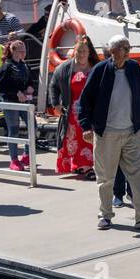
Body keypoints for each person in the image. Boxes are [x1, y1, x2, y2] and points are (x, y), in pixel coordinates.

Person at [77, 35, 140, 230]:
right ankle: (105, 215)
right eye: (124, 47)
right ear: (113, 51)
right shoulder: (100, 70)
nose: (128, 50)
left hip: (131, 132)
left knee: (137, 175)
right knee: (106, 178)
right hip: (107, 134)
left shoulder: (134, 68)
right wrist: (86, 126)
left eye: (128, 47)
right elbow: (84, 100)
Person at [53, 36, 99, 179]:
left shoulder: (95, 67)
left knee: (89, 137)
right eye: (79, 51)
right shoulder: (65, 68)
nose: (81, 54)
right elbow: (53, 86)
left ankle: (85, 165)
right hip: (73, 111)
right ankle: (85, 167)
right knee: (75, 139)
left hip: (91, 110)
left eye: (84, 51)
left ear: (89, 52)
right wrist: (56, 104)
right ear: (74, 51)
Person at [0, 39, 35, 171]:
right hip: (10, 102)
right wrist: (16, 92)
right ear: (12, 52)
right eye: (20, 50)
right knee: (13, 129)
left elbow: (31, 79)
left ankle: (27, 154)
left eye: (24, 50)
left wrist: (30, 87)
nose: (23, 53)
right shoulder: (6, 66)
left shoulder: (24, 65)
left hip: (24, 102)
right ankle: (13, 159)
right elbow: (1, 85)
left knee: (32, 126)